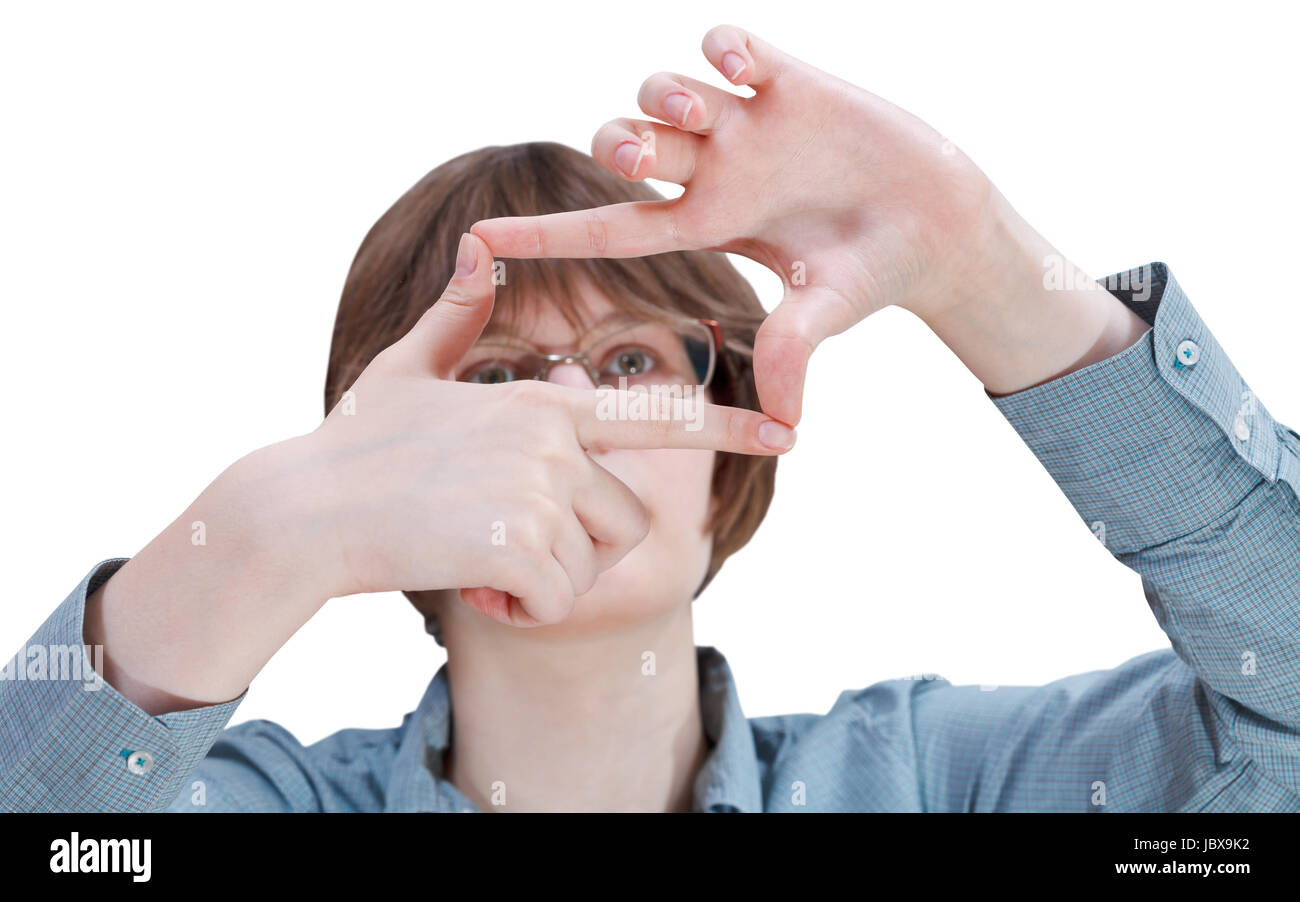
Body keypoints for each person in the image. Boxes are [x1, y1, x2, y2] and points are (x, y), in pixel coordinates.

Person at [2, 25, 1297, 813]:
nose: (566, 412)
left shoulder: (943, 783)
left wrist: (993, 272)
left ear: (727, 419)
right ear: (375, 475)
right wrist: (256, 530)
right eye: (496, 379)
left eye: (628, 358)